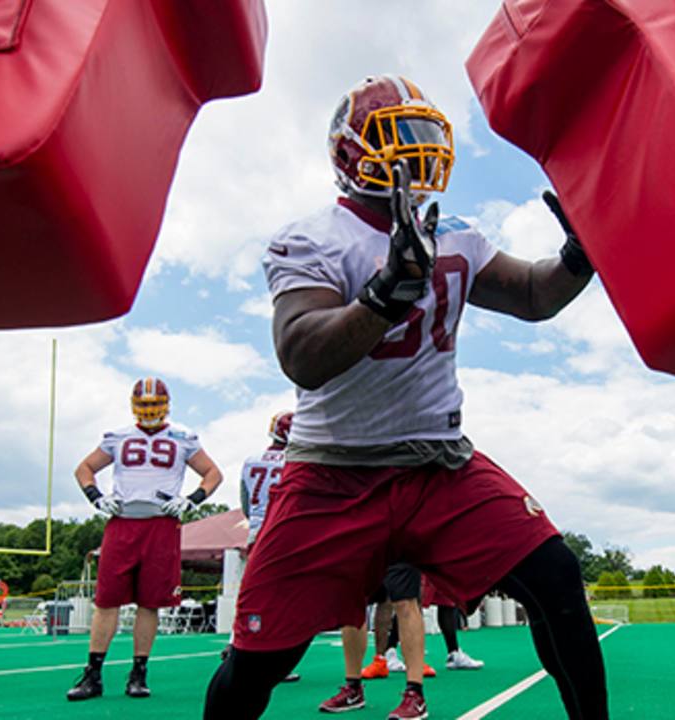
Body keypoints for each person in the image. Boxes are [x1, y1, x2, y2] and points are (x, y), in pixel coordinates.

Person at [204, 74, 606, 720]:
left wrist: (579, 258)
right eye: (394, 136)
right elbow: (302, 355)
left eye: (421, 135)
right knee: (258, 663)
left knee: (556, 574)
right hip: (334, 474)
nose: (414, 151)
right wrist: (381, 297)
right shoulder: (313, 238)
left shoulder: (457, 234)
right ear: (348, 154)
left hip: (438, 467)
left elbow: (533, 295)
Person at [67, 377, 223, 701]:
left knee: (150, 602)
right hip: (123, 522)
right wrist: (95, 496)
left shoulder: (184, 437)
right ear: (133, 405)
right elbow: (84, 468)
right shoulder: (117, 436)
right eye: (144, 405)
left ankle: (138, 673)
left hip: (162, 523)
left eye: (154, 404)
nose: (149, 410)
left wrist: (192, 499)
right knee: (107, 601)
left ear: (165, 405)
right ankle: (93, 674)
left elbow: (213, 474)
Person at [235, 410, 300, 683]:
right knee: (283, 598)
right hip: (284, 530)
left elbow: (246, 502)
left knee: (251, 593)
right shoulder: (298, 460)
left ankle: (237, 644)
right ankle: (273, 656)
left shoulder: (251, 460)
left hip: (257, 530)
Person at [320, 564, 435, 714]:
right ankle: (353, 688)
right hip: (361, 542)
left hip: (400, 543)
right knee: (351, 601)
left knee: (405, 600)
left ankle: (415, 694)